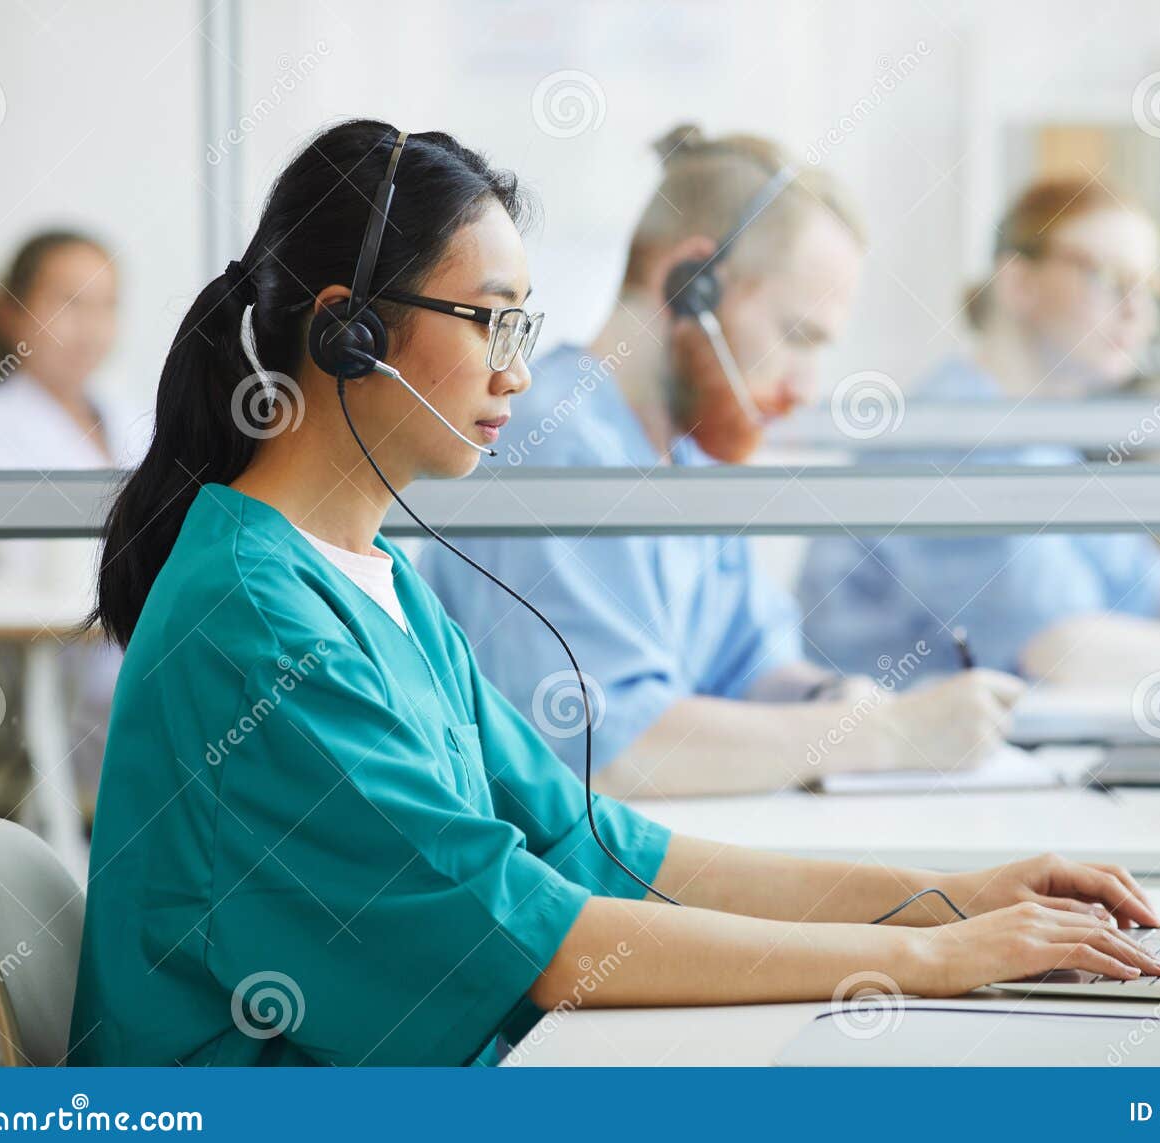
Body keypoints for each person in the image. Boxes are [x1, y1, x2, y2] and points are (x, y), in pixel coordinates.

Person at [70, 120, 1160, 1067]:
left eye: (524, 326)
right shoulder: (261, 625)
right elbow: (542, 937)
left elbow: (600, 847)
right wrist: (927, 957)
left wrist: (950, 896)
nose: (515, 370)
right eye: (487, 319)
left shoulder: (374, 581)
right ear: (347, 330)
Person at [420, 125, 1024, 799]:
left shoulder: (688, 459)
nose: (801, 387)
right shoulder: (558, 446)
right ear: (691, 283)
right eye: (796, 336)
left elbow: (748, 666)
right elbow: (611, 751)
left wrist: (834, 697)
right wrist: (891, 734)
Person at [799, 178, 1160, 684]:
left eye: (1152, 290)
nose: (1138, 313)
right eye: (1109, 278)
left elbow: (1151, 589)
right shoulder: (954, 438)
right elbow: (1063, 653)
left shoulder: (1036, 432)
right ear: (1018, 283)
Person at [0, 230, 150, 817]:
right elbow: (12, 565)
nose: (90, 327)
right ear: (11, 313)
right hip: (57, 678)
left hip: (131, 647)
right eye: (69, 302)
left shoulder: (132, 414)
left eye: (105, 306)